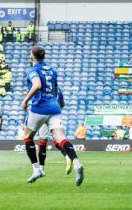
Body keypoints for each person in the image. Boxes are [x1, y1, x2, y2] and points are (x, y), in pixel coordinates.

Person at [21, 46, 84, 186]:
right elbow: (58, 94)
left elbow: (37, 85)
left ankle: (36, 169)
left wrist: (25, 100)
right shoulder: (52, 70)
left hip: (39, 108)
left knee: (27, 137)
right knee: (61, 138)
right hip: (54, 108)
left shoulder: (32, 70)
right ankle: (77, 163)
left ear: (32, 57)